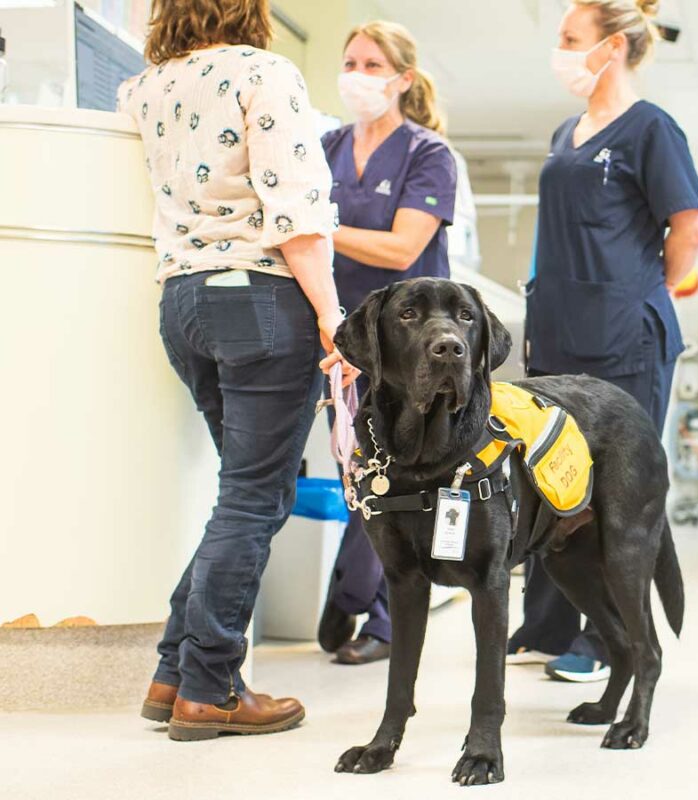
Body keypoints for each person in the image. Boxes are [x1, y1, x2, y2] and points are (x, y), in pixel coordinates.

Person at [117, 0, 357, 741]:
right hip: (260, 298)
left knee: (249, 496)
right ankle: (210, 687)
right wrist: (332, 317)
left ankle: (173, 671)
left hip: (183, 301)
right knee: (255, 499)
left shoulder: (145, 88)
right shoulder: (265, 73)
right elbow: (297, 212)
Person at [511, 0, 698, 682]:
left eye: (571, 38)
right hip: (560, 334)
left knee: (615, 489)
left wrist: (639, 294)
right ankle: (547, 625)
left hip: (624, 339)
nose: (560, 50)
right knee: (549, 477)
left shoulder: (651, 129)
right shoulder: (569, 131)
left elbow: (690, 229)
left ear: (613, 46)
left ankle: (607, 640)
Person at [316, 20, 458, 665]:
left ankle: (370, 608)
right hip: (339, 333)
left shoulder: (429, 154)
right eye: (350, 62)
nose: (357, 75)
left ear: (402, 78)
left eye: (373, 65)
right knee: (354, 471)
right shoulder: (326, 145)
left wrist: (315, 224)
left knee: (394, 473)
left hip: (409, 351)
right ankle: (354, 595)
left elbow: (403, 248)